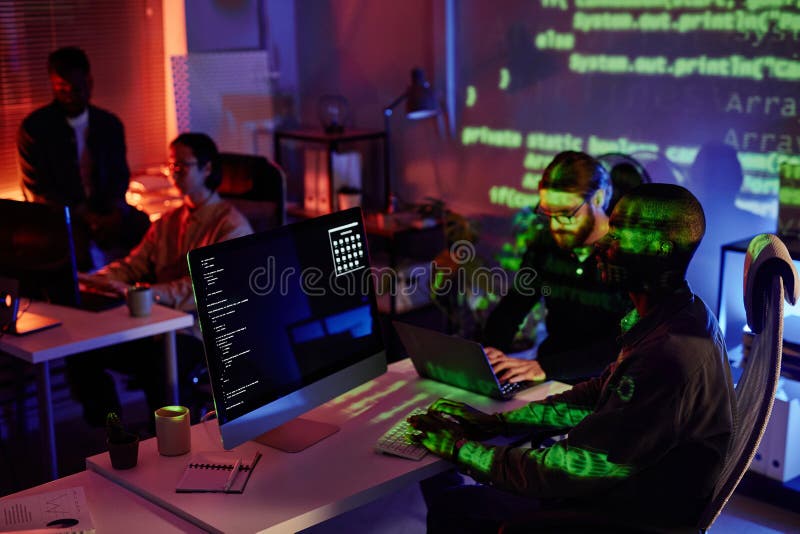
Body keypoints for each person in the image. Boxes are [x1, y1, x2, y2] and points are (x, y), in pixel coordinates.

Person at [410, 184, 735, 532]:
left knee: (454, 508)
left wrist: (461, 450)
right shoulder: (680, 314)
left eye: (618, 235)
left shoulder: (667, 355)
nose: (601, 244)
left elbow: (570, 469)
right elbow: (599, 394)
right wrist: (500, 423)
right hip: (624, 490)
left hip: (625, 515)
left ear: (660, 249)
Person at [66, 132, 253, 426]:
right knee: (82, 352)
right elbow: (134, 264)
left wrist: (144, 292)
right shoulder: (168, 221)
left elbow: (203, 287)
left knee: (158, 366)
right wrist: (97, 280)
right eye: (171, 166)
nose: (174, 173)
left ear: (206, 168)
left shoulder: (231, 226)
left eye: (181, 166)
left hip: (197, 333)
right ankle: (113, 429)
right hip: (154, 325)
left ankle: (173, 436)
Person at [483, 151, 631, 384]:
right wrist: (490, 353)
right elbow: (513, 307)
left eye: (566, 214)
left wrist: (548, 368)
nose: (554, 226)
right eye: (548, 213)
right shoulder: (545, 245)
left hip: (605, 381)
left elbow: (627, 344)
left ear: (598, 199)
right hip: (550, 373)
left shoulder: (628, 255)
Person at [17, 46, 150, 268]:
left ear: (89, 82)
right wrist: (84, 216)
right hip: (61, 214)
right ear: (53, 85)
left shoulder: (109, 124)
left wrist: (115, 211)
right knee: (72, 246)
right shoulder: (35, 128)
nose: (70, 95)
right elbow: (38, 188)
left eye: (76, 88)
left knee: (143, 227)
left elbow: (119, 175)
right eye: (62, 88)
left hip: (104, 207)